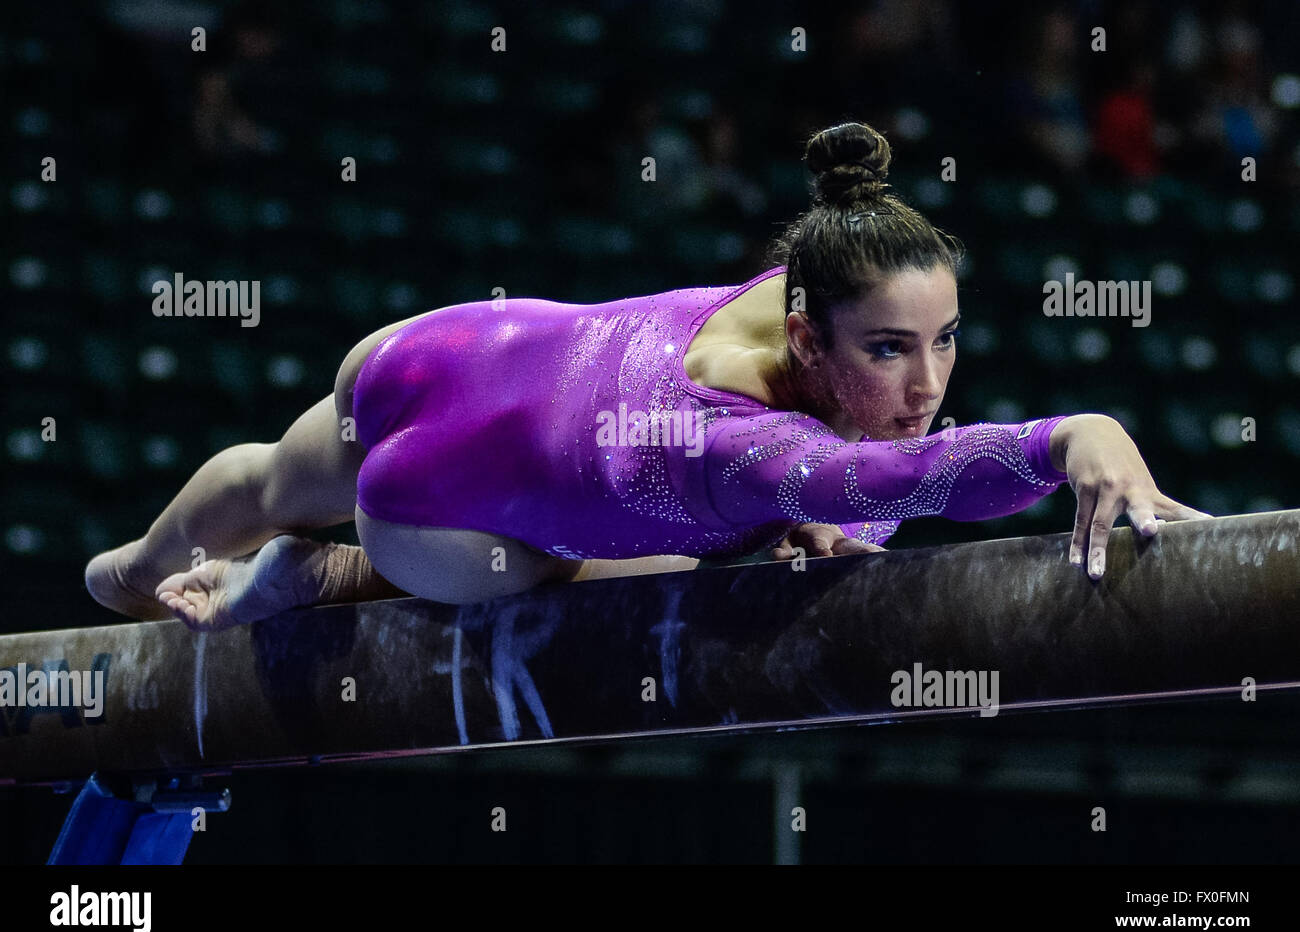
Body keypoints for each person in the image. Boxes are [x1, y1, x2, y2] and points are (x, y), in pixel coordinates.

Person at [85, 121, 1209, 631]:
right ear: (812, 339)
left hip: (440, 349)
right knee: (669, 577)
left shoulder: (803, 277)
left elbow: (877, 371)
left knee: (278, 474)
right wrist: (1072, 434)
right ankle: (319, 579)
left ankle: (132, 568)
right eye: (889, 348)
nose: (927, 383)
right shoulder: (751, 446)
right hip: (425, 518)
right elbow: (919, 479)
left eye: (945, 338)